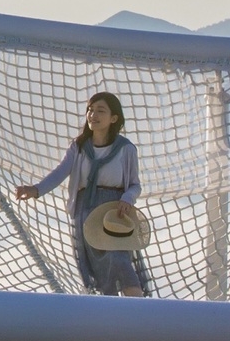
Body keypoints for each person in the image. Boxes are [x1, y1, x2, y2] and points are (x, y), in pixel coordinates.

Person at [17, 92, 146, 294]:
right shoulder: (79, 147)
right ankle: (108, 318)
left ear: (113, 118)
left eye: (100, 111)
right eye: (90, 110)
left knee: (120, 260)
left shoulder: (125, 149)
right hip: (86, 213)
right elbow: (60, 172)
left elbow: (134, 185)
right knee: (99, 273)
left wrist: (127, 199)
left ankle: (139, 313)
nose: (93, 115)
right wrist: (35, 190)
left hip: (114, 213)